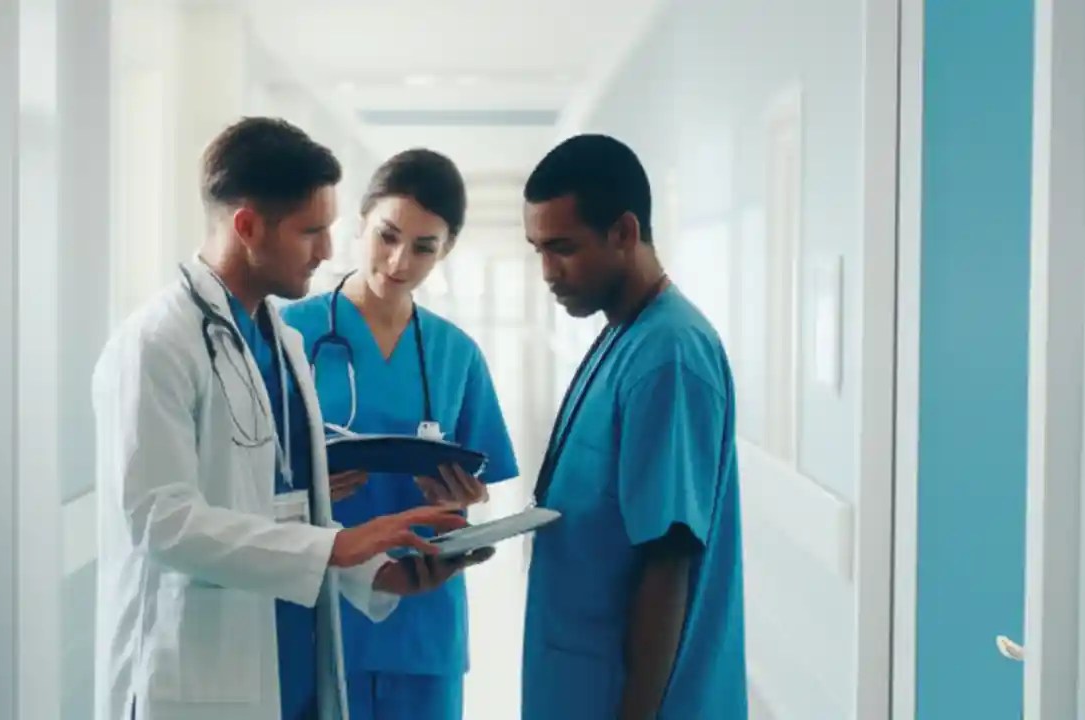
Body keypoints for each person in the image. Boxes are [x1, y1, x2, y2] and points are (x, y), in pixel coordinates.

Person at [92, 118, 491, 720]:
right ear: (247, 227)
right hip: (199, 677)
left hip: (291, 671)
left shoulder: (280, 342)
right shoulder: (158, 343)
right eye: (311, 231)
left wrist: (379, 575)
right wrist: (340, 546)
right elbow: (161, 522)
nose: (329, 251)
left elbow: (281, 508)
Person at [281, 148, 520, 720]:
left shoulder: (455, 354)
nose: (398, 260)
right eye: (386, 235)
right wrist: (305, 484)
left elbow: (481, 485)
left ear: (448, 249)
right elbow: (250, 467)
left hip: (422, 613)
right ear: (360, 220)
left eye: (423, 247)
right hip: (318, 607)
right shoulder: (291, 333)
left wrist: (466, 497)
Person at [519, 134, 747, 719]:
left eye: (562, 248)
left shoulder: (669, 354)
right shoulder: (624, 335)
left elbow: (667, 556)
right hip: (581, 683)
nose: (547, 271)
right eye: (537, 249)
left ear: (623, 232)